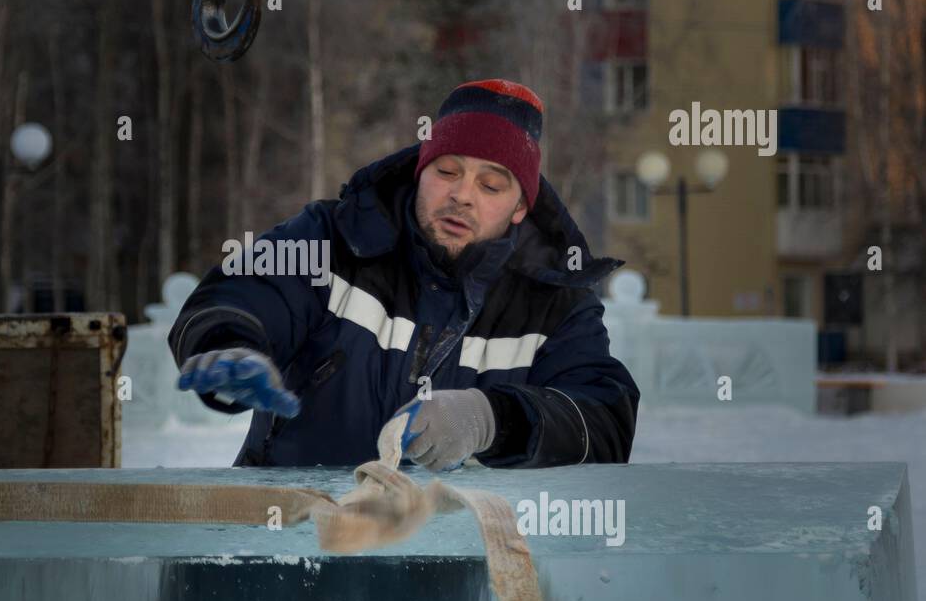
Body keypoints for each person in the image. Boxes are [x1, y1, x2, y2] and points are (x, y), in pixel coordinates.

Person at [169, 79, 639, 470]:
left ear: (520, 207)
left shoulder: (556, 303)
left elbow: (603, 424)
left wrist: (493, 418)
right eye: (447, 171)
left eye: (491, 184)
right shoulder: (333, 238)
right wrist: (229, 346)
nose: (462, 195)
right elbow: (241, 293)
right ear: (421, 172)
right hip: (289, 540)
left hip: (457, 561)